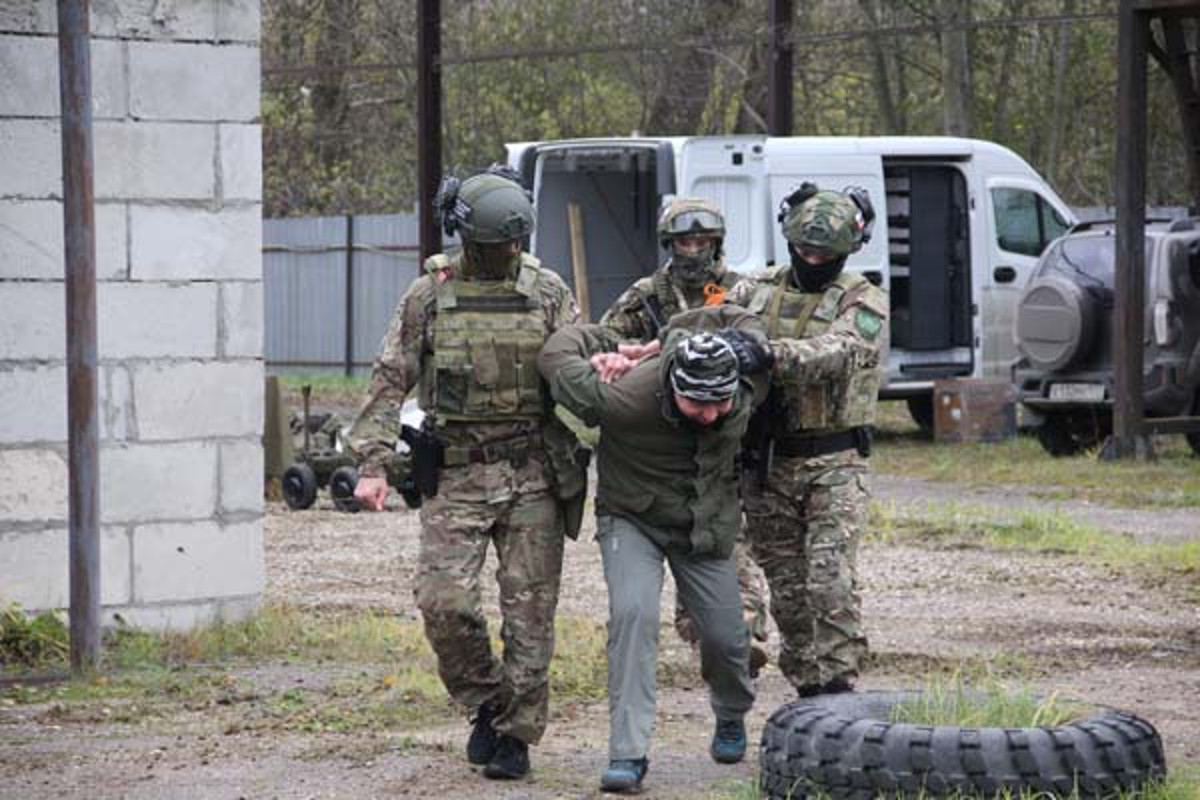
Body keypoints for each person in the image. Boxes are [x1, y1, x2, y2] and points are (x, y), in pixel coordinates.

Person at [348, 167, 584, 780]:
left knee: (530, 613)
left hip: (533, 471)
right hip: (457, 473)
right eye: (497, 244)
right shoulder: (430, 295)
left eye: (516, 241)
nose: (510, 251)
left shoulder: (548, 291)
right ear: (469, 239)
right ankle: (486, 701)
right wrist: (373, 463)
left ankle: (517, 736)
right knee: (442, 601)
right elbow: (390, 377)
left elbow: (578, 370)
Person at [538, 306, 772, 794]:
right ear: (673, 389)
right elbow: (556, 353)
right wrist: (612, 344)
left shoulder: (750, 384)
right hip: (632, 518)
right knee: (633, 617)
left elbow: (744, 320)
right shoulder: (623, 396)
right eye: (697, 404)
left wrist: (694, 336)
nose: (710, 414)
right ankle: (627, 752)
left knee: (727, 639)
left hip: (704, 528)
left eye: (720, 403)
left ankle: (731, 712)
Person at [726, 183, 888, 698]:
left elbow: (841, 351)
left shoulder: (863, 297)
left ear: (847, 251)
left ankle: (838, 686)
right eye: (805, 250)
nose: (813, 259)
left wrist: (767, 354)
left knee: (829, 581)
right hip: (767, 461)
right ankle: (809, 691)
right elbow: (715, 322)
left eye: (825, 254)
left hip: (835, 459)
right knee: (789, 589)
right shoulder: (754, 289)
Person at [599, 198, 769, 674]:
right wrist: (633, 360)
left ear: (717, 243)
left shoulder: (740, 291)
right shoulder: (647, 295)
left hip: (728, 432)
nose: (692, 250)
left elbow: (763, 347)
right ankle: (706, 633)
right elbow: (609, 339)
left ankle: (742, 634)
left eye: (701, 241)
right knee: (679, 537)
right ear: (668, 244)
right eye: (683, 242)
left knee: (729, 542)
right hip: (667, 438)